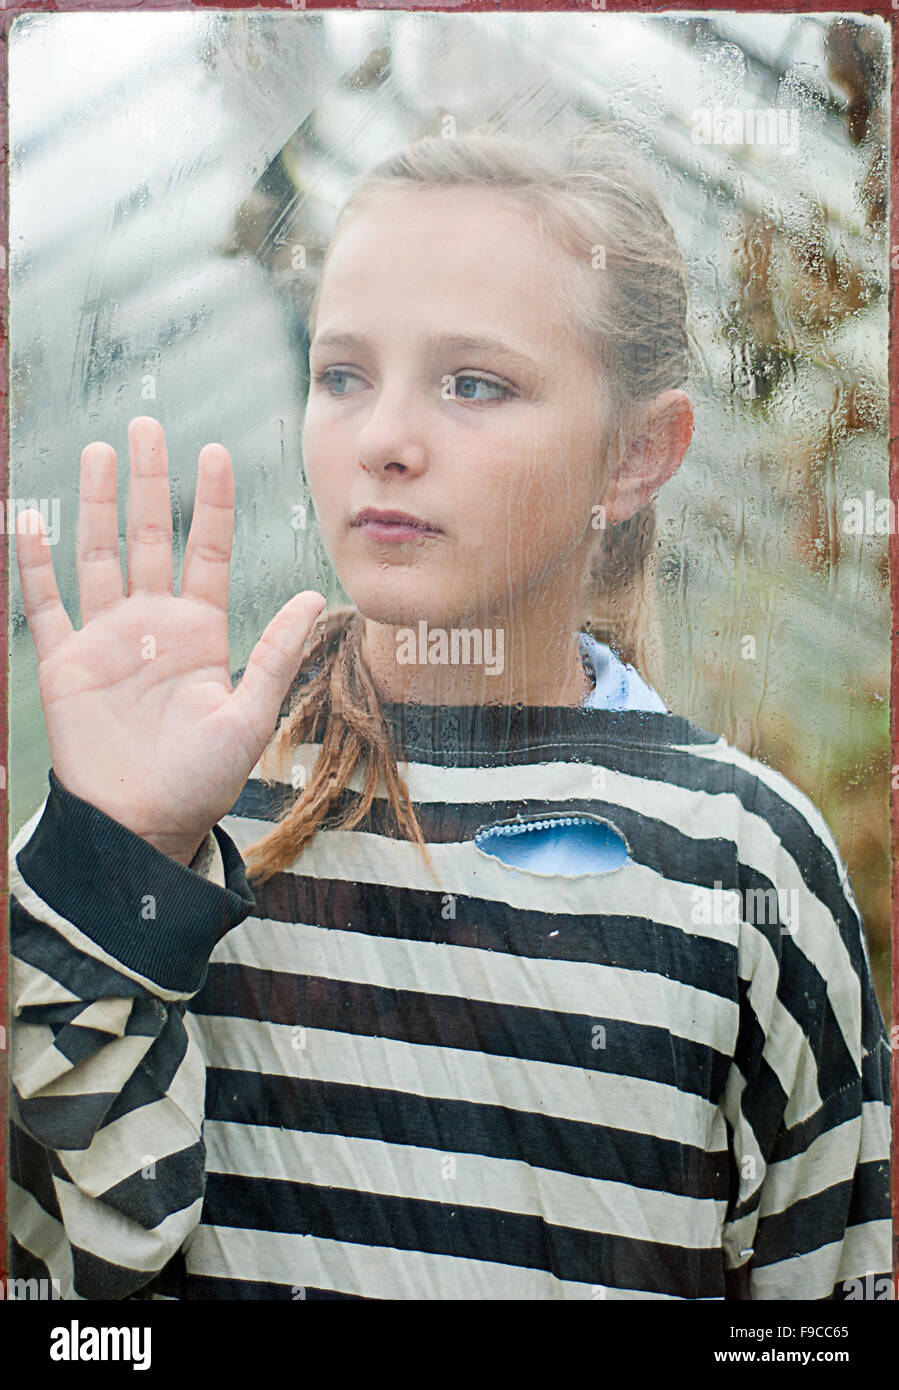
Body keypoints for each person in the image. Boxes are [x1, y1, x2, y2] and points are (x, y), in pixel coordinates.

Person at [8, 129, 891, 1300]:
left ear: (633, 455)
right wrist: (112, 857)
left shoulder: (742, 860)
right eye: (341, 376)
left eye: (474, 383)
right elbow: (78, 1275)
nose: (382, 440)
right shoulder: (191, 812)